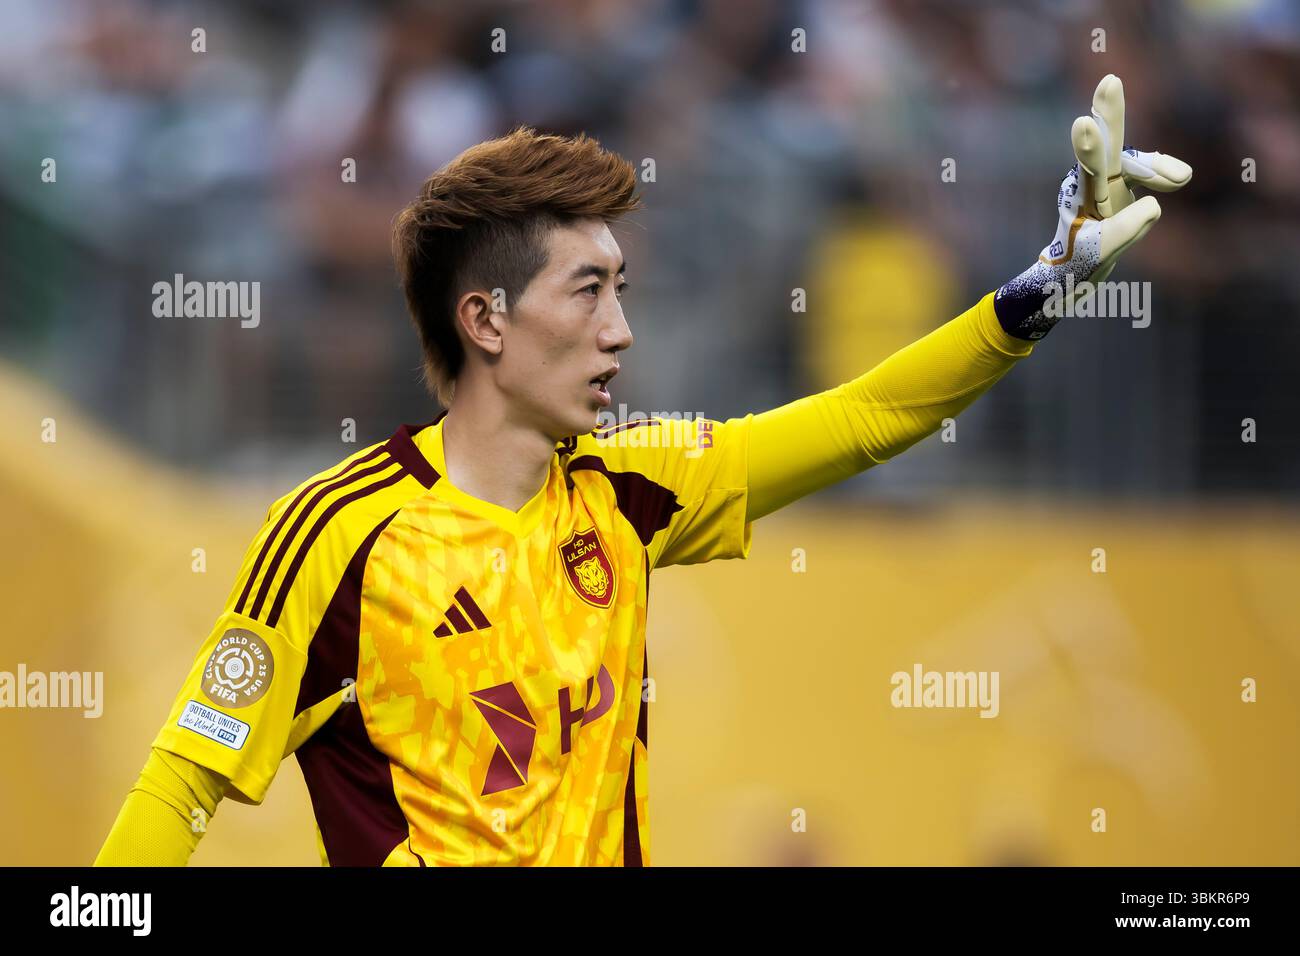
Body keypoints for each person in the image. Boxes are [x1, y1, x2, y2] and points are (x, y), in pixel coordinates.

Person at [95, 75, 1189, 866]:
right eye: (586, 291)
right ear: (483, 318)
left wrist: (1039, 288)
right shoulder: (337, 531)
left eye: (622, 289)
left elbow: (866, 418)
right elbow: (184, 778)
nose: (620, 330)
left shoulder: (631, 487)